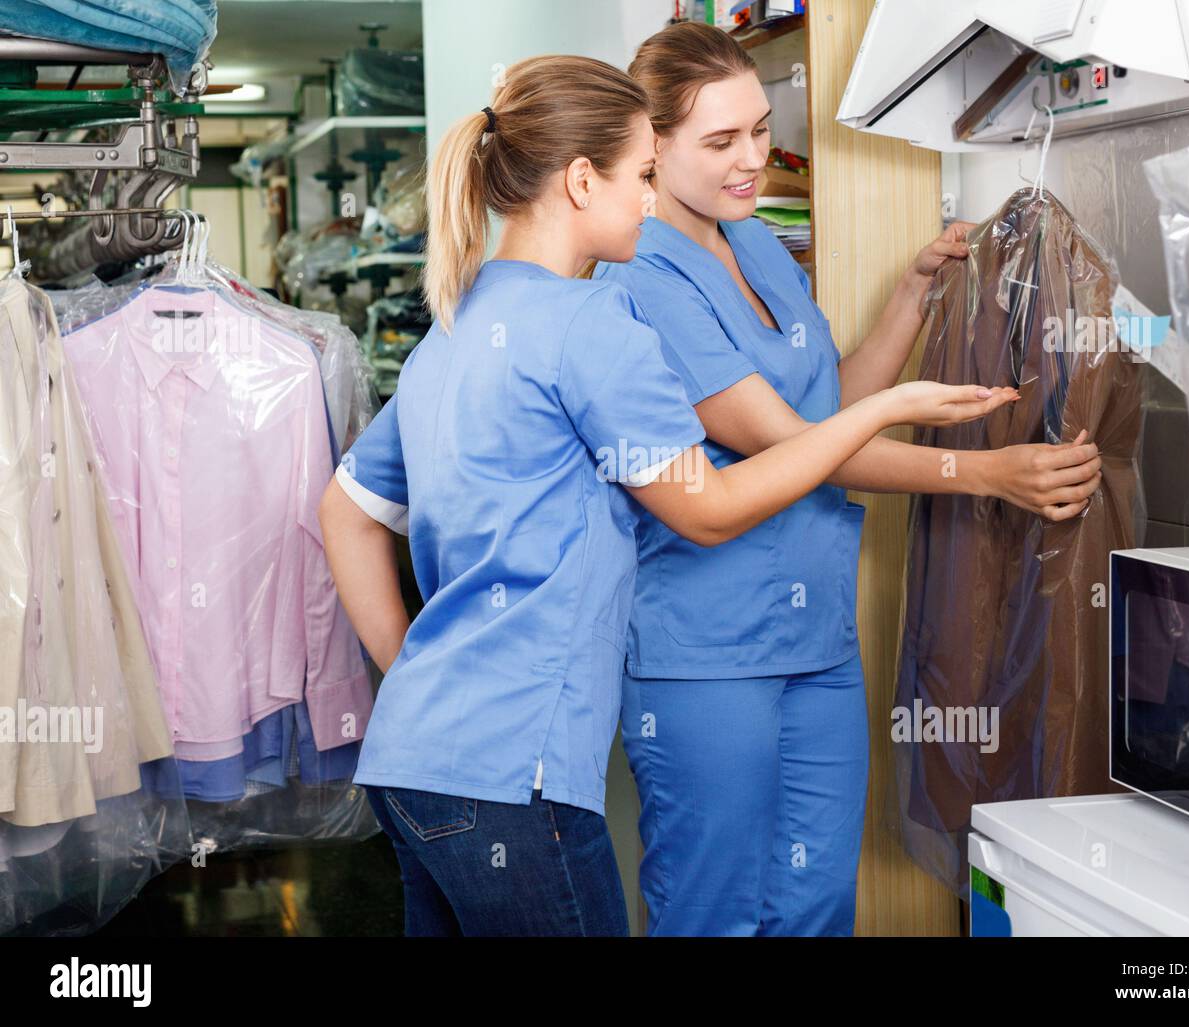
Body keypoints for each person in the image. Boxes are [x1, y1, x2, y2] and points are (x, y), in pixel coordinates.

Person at [317, 54, 1016, 938]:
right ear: (580, 181)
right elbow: (708, 508)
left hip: (413, 762)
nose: (652, 203)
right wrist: (891, 408)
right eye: (643, 175)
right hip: (516, 773)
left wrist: (410, 671)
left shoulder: (456, 328)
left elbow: (344, 510)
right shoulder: (589, 322)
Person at [593, 21, 1103, 937]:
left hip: (816, 642)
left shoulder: (750, 244)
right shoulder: (643, 281)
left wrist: (912, 292)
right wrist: (987, 473)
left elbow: (830, 403)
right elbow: (793, 443)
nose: (753, 159)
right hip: (707, 654)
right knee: (714, 910)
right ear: (651, 145)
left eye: (758, 128)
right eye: (720, 143)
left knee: (818, 905)